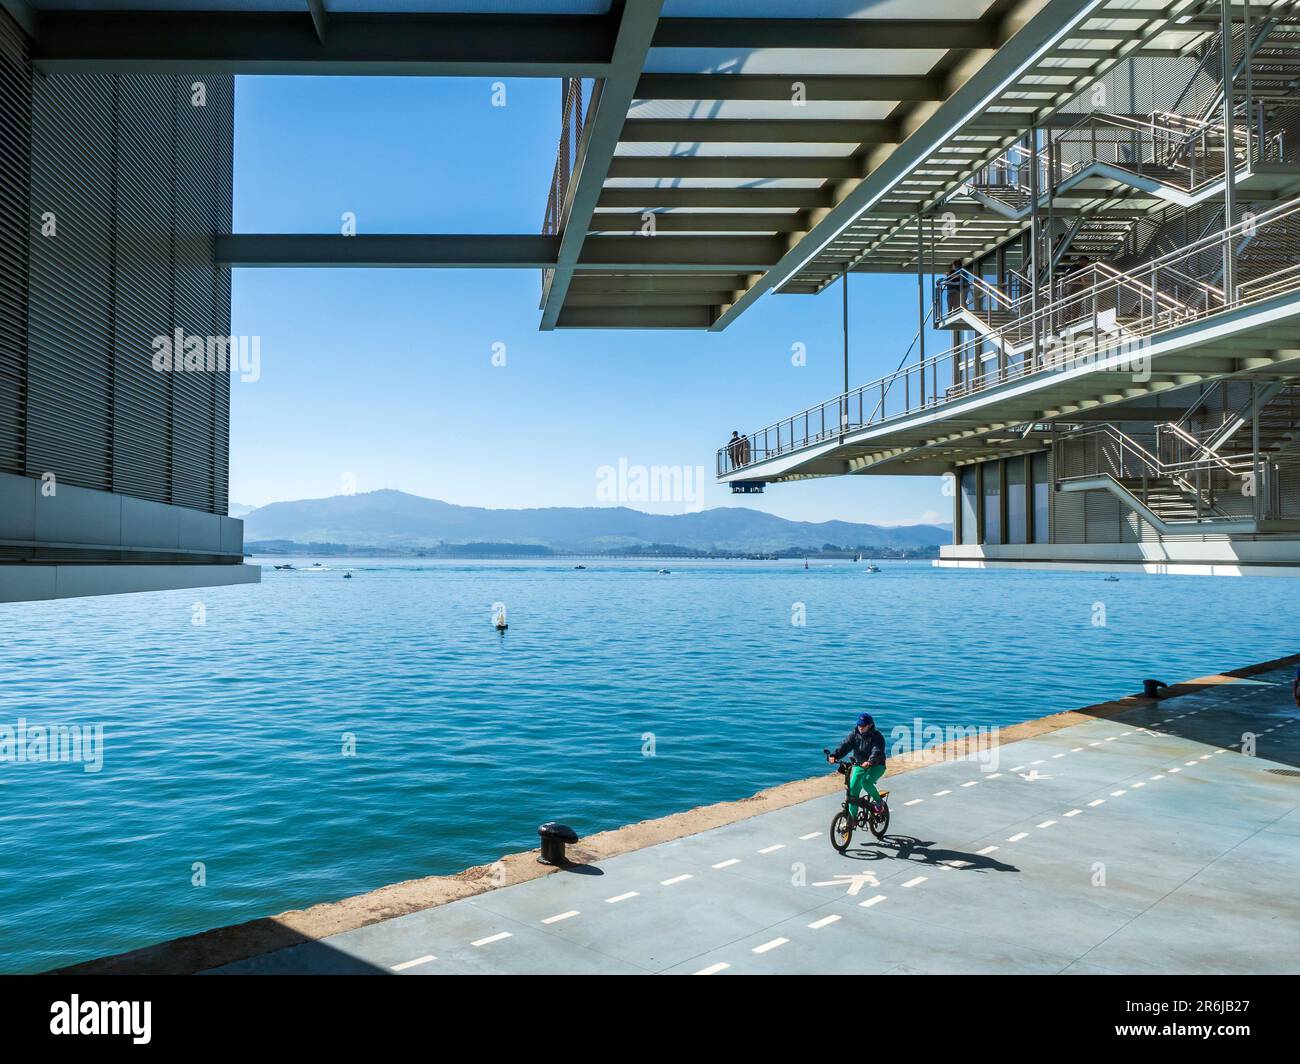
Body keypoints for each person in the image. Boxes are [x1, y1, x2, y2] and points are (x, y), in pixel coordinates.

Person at [827, 713, 887, 820]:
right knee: (853, 791)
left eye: (863, 725)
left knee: (865, 782)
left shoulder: (877, 737)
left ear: (870, 725)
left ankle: (879, 802)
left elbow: (877, 751)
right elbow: (845, 745)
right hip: (860, 765)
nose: (860, 727)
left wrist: (870, 762)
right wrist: (834, 755)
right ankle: (852, 819)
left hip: (876, 765)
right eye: (859, 724)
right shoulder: (854, 734)